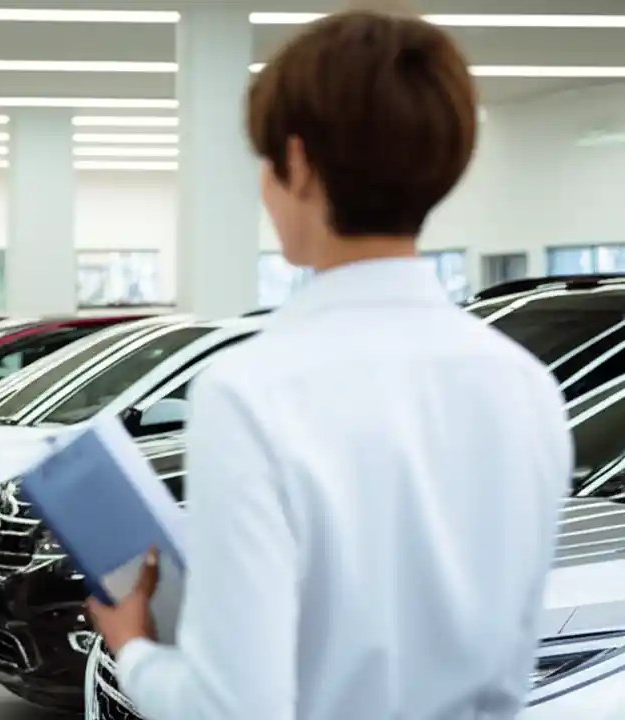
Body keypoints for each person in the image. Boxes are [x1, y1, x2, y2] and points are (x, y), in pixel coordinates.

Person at [88, 10, 573, 720]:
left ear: (301, 162)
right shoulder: (526, 387)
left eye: (266, 164)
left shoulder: (253, 390)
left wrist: (134, 649)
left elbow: (234, 709)